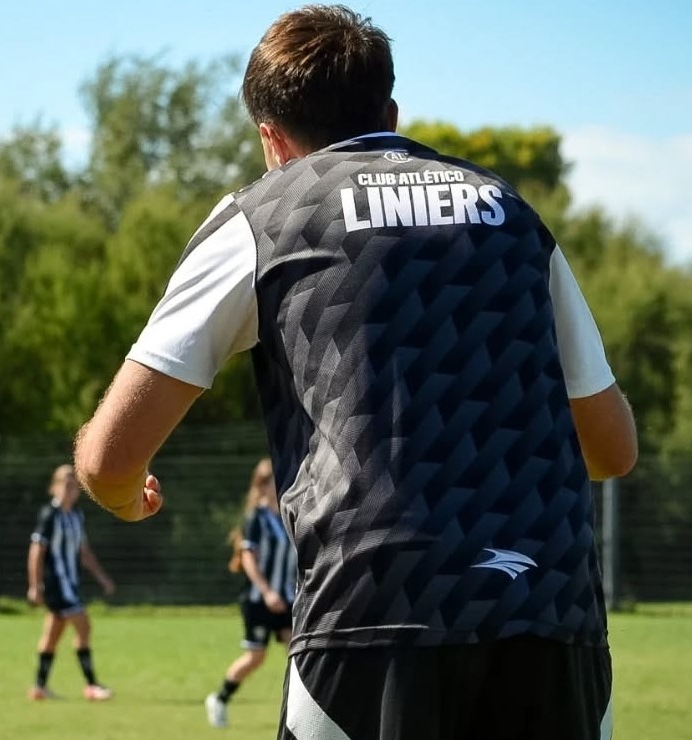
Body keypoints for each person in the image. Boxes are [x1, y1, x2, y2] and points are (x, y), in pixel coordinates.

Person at [73, 5, 638, 740]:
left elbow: (108, 456)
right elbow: (611, 450)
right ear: (390, 111)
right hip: (548, 609)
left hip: (373, 608)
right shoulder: (509, 211)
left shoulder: (265, 215)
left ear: (269, 138)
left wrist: (118, 497)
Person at [204, 458, 297, 729]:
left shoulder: (286, 516)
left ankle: (297, 712)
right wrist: (267, 592)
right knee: (256, 657)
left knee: (298, 652)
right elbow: (248, 558)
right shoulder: (256, 518)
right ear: (263, 486)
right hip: (260, 600)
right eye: (275, 481)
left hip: (287, 598)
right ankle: (219, 699)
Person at [26, 463, 117, 701]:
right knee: (84, 626)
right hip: (58, 584)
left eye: (73, 484)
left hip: (71, 584)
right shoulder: (50, 515)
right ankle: (92, 685)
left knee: (52, 636)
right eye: (64, 483)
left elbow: (84, 552)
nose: (69, 488)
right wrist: (35, 586)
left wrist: (102, 578)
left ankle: (39, 687)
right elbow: (36, 551)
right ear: (54, 488)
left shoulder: (77, 516)